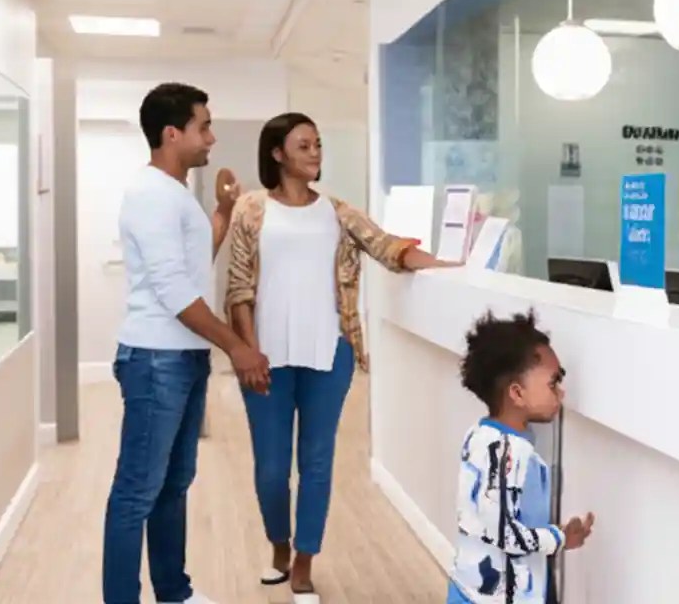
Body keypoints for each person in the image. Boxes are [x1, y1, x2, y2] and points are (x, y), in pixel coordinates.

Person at [224, 112, 457, 599]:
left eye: (318, 144)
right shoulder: (250, 210)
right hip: (266, 357)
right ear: (277, 154)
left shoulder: (337, 211)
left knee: (317, 460)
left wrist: (441, 265)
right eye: (304, 145)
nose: (315, 153)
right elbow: (238, 288)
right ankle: (279, 546)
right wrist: (246, 350)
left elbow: (387, 247)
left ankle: (305, 561)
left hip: (330, 353)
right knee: (270, 467)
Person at [103, 82, 272, 604]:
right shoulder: (150, 193)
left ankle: (173, 593)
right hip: (156, 360)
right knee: (137, 493)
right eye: (203, 127)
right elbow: (175, 290)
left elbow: (194, 265)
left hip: (180, 358)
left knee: (173, 486)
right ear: (171, 133)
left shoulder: (175, 195)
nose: (211, 138)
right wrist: (237, 347)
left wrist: (221, 211)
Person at [448, 310, 595, 604]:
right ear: (517, 393)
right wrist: (560, 539)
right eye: (553, 383)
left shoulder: (478, 435)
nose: (561, 393)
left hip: (474, 586)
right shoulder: (509, 454)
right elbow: (506, 534)